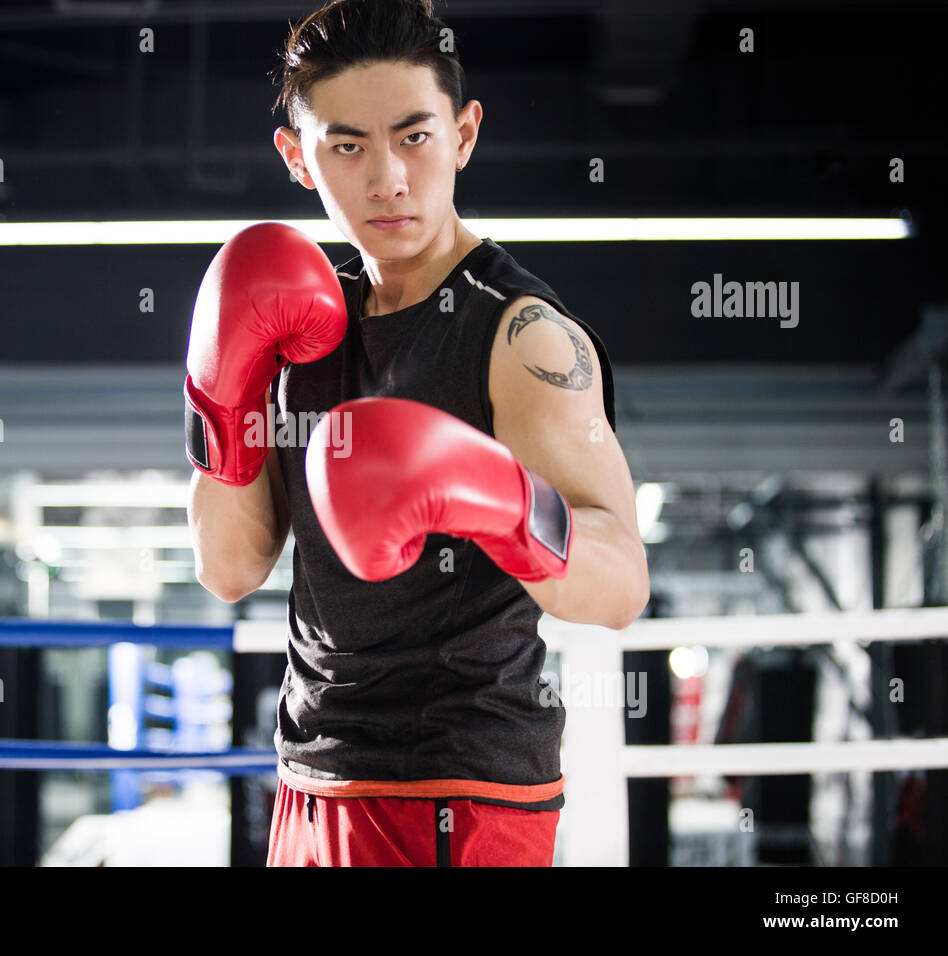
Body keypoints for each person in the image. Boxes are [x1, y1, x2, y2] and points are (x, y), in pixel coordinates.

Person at [185, 0, 649, 866]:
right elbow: (229, 568)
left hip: (460, 793)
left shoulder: (520, 337)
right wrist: (223, 398)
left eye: (415, 137)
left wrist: (501, 502)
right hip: (311, 779)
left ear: (464, 134)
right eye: (347, 145)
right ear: (296, 155)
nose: (387, 178)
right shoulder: (300, 318)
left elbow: (622, 584)